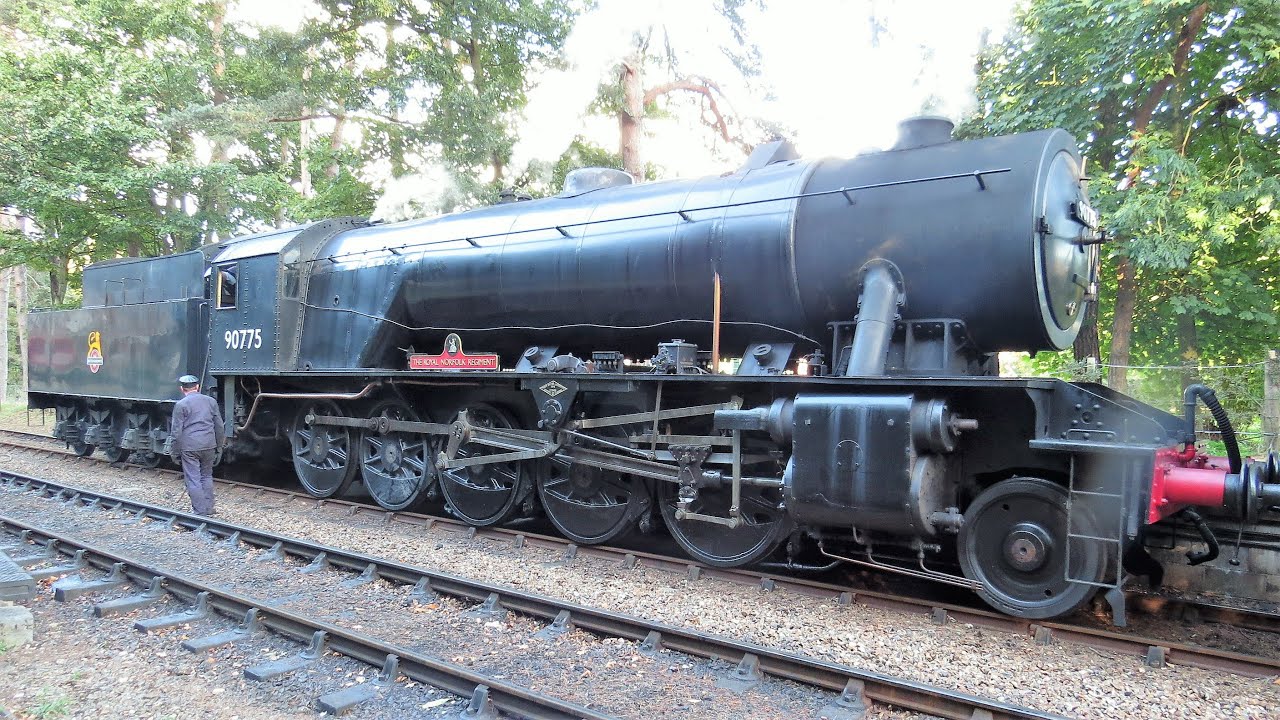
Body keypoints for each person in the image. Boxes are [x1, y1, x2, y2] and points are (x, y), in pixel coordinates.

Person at [170, 374, 226, 516]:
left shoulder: (181, 405)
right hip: (209, 445)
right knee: (206, 476)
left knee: (193, 478)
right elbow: (219, 426)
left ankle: (200, 511)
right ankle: (209, 508)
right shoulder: (211, 401)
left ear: (182, 389)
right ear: (197, 387)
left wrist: (174, 452)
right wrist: (219, 446)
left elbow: (176, 432)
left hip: (190, 447)